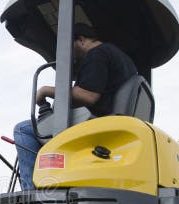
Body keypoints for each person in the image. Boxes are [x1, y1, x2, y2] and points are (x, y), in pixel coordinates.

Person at [13, 23, 137, 190]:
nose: (73, 55)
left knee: (24, 129)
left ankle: (29, 193)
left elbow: (89, 96)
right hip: (108, 120)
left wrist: (45, 91)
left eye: (71, 47)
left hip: (95, 121)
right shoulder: (121, 59)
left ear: (81, 39)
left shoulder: (96, 54)